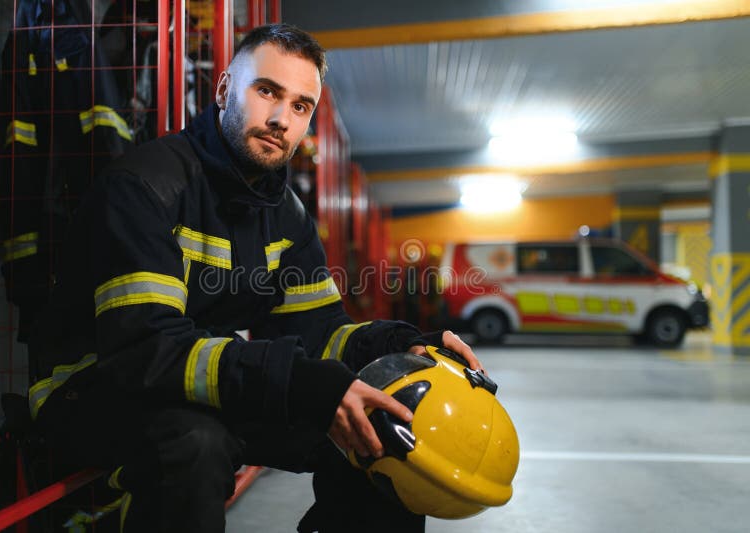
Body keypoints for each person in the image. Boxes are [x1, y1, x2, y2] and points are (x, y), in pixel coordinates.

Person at [28, 23, 482, 532]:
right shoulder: (144, 185)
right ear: (223, 91)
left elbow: (320, 332)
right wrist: (299, 381)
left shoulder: (285, 214)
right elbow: (145, 350)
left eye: (300, 106)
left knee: (379, 434)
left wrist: (401, 347)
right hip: (90, 387)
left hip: (192, 388)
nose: (280, 119)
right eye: (266, 91)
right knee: (196, 444)